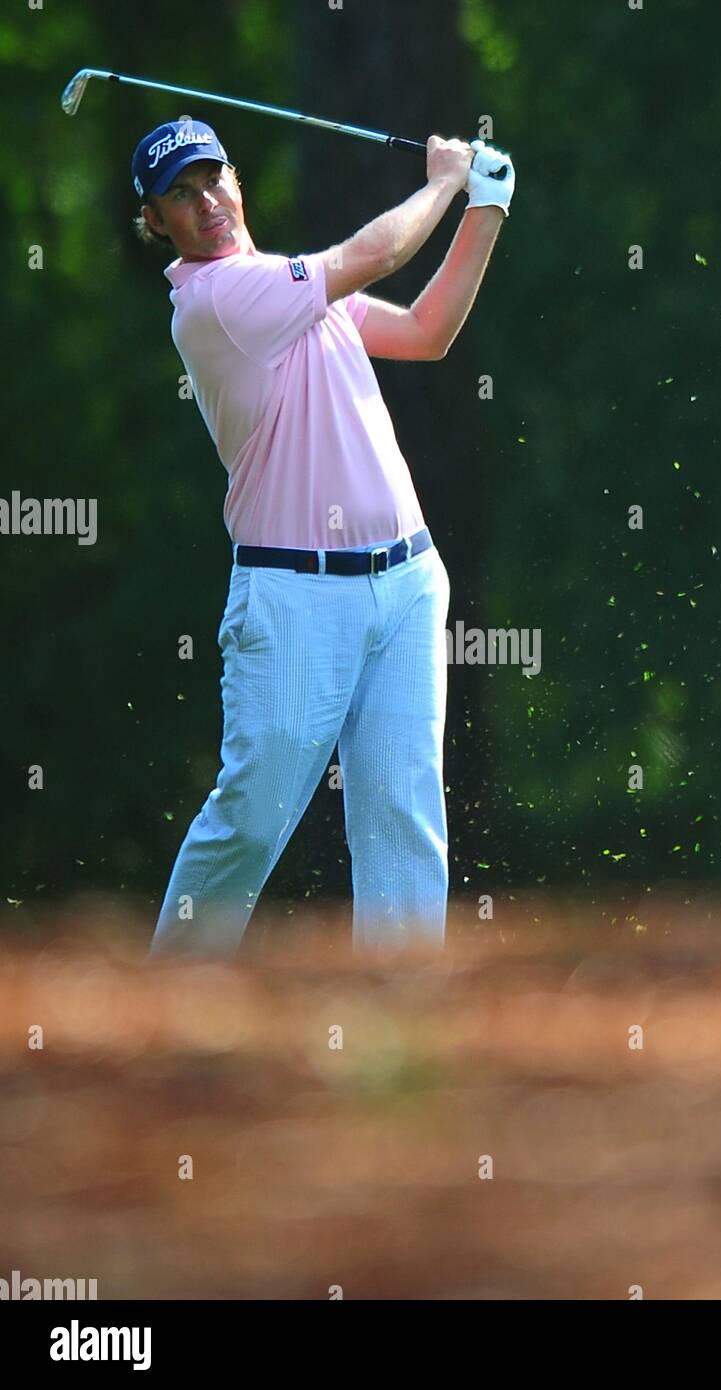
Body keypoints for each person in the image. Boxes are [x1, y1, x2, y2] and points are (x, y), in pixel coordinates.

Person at [131, 116, 515, 957]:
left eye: (212, 180)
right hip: (295, 593)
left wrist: (486, 207)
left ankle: (401, 1030)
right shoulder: (216, 303)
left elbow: (424, 333)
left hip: (407, 580)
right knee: (253, 813)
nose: (206, 204)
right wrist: (446, 181)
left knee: (403, 814)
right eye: (180, 197)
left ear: (237, 179)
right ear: (156, 222)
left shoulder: (287, 283)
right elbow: (374, 255)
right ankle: (169, 1000)